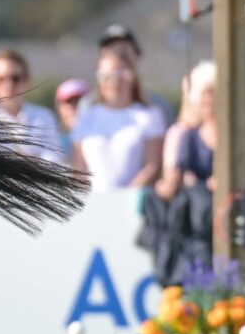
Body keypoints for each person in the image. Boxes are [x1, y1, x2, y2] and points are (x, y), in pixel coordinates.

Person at [69, 47, 166, 221]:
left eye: (119, 75)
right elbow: (78, 168)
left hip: (134, 207)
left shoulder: (150, 115)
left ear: (132, 76)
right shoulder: (86, 117)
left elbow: (152, 166)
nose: (113, 82)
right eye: (106, 76)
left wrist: (124, 198)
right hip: (93, 207)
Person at [149, 61, 217, 284]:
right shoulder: (188, 136)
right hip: (198, 224)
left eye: (214, 93)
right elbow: (176, 178)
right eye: (206, 93)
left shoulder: (232, 138)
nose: (210, 100)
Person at [0, 49, 65, 165]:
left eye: (15, 79)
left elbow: (54, 160)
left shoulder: (43, 117)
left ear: (27, 80)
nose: (8, 85)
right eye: (0, 79)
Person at [95, 25, 172, 124]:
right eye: (111, 52)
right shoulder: (89, 106)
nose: (118, 60)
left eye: (124, 55)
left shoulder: (156, 106)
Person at [53, 79, 89, 160]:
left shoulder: (98, 138)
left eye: (79, 102)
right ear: (58, 106)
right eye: (68, 102)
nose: (74, 107)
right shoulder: (50, 138)